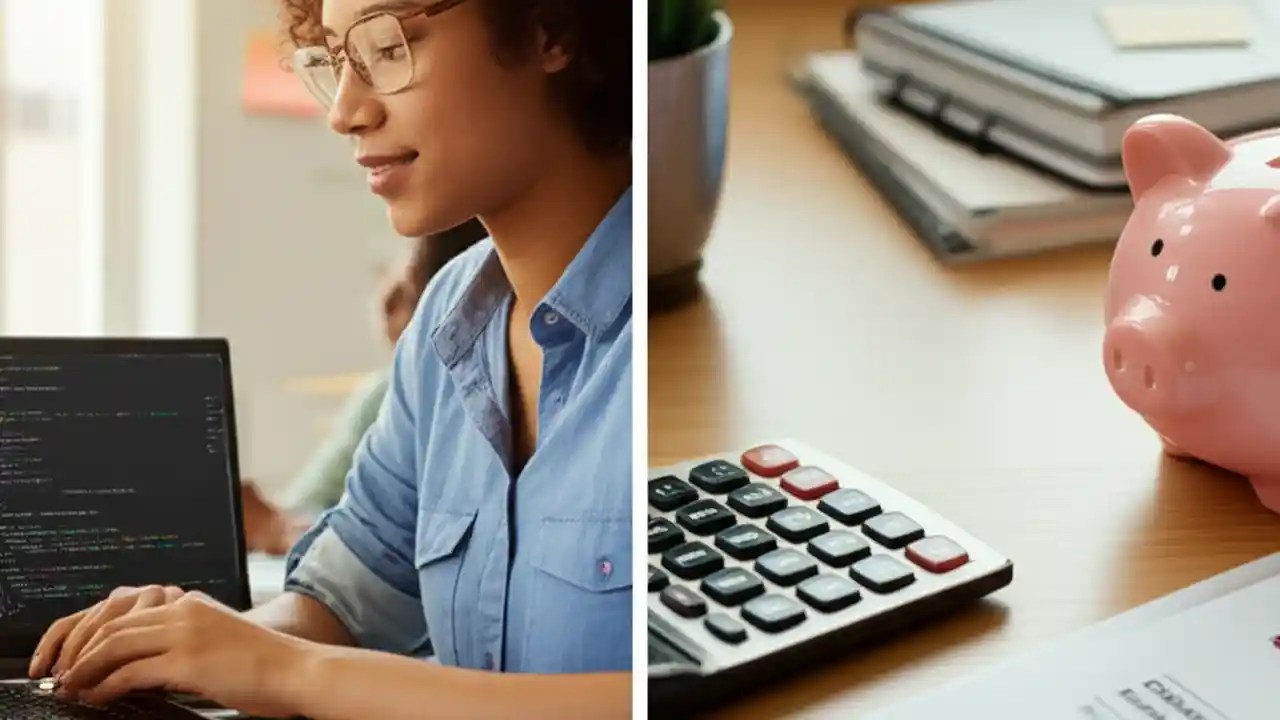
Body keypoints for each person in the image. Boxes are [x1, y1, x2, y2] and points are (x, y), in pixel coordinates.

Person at [29, 0, 632, 717]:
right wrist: (185, 642)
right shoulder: (447, 323)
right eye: (338, 60)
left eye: (390, 48)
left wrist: (287, 669)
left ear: (549, 29)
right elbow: (341, 602)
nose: (345, 112)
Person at [240, 220, 488, 556]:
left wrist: (274, 526)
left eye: (405, 281)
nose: (384, 298)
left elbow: (380, 540)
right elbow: (324, 510)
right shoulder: (386, 391)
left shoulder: (405, 394)